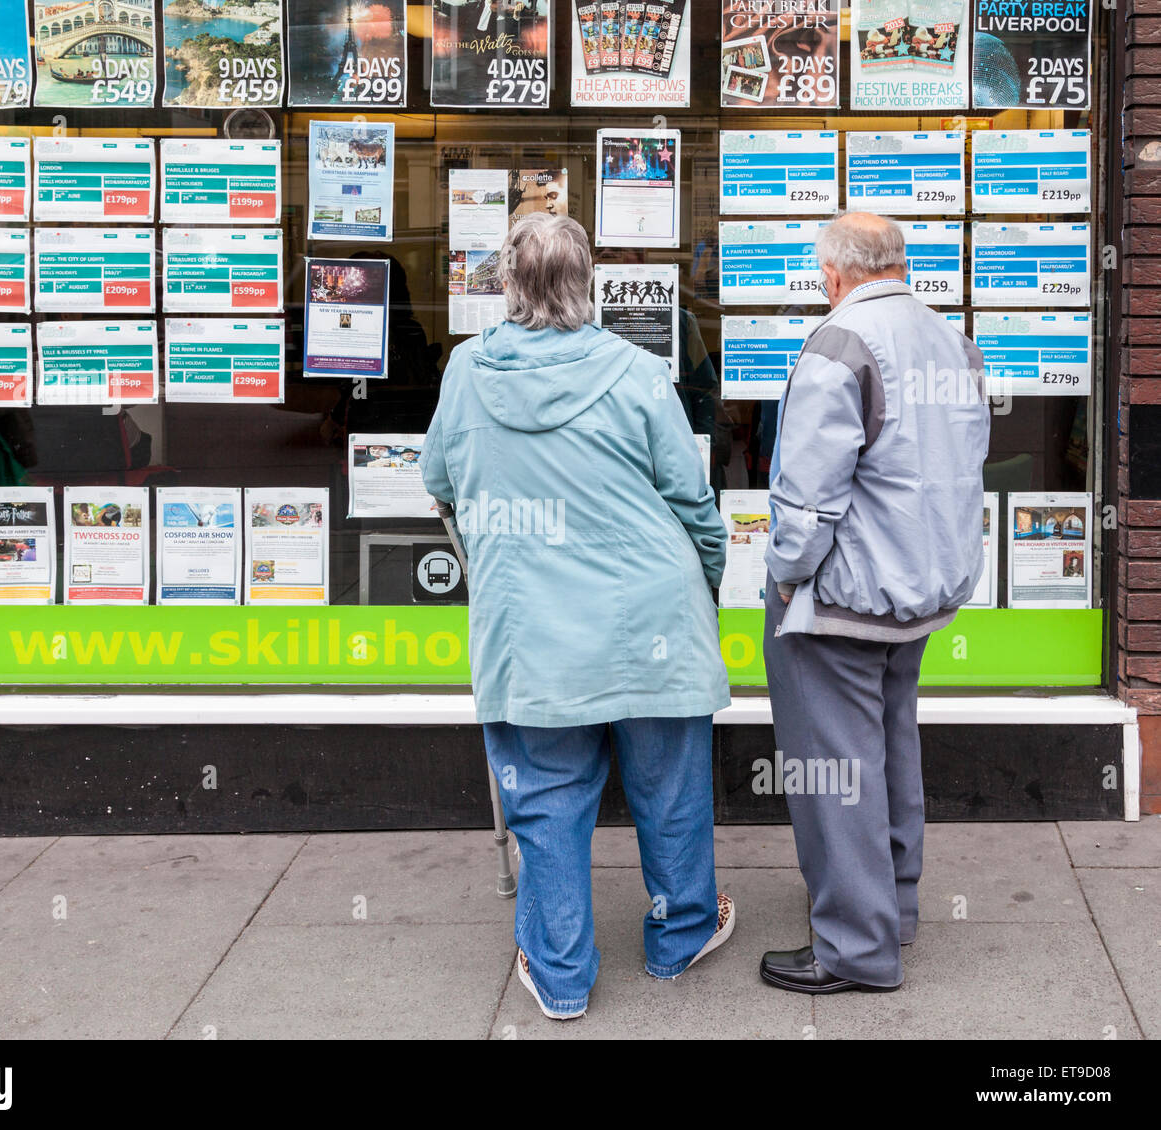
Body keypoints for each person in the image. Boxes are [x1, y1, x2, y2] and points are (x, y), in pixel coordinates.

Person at [421, 214, 734, 1021]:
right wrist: (706, 582)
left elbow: (440, 481)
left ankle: (561, 976)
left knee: (548, 798)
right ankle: (680, 935)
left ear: (507, 285)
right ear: (585, 281)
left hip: (532, 630)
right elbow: (691, 499)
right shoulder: (634, 370)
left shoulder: (465, 372)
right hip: (650, 615)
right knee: (668, 786)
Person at [759, 212, 990, 994]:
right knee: (891, 748)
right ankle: (895, 906)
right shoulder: (952, 344)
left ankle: (856, 949)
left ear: (833, 273)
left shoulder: (841, 343)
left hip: (846, 595)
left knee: (833, 768)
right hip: (921, 589)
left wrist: (788, 575)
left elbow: (808, 495)